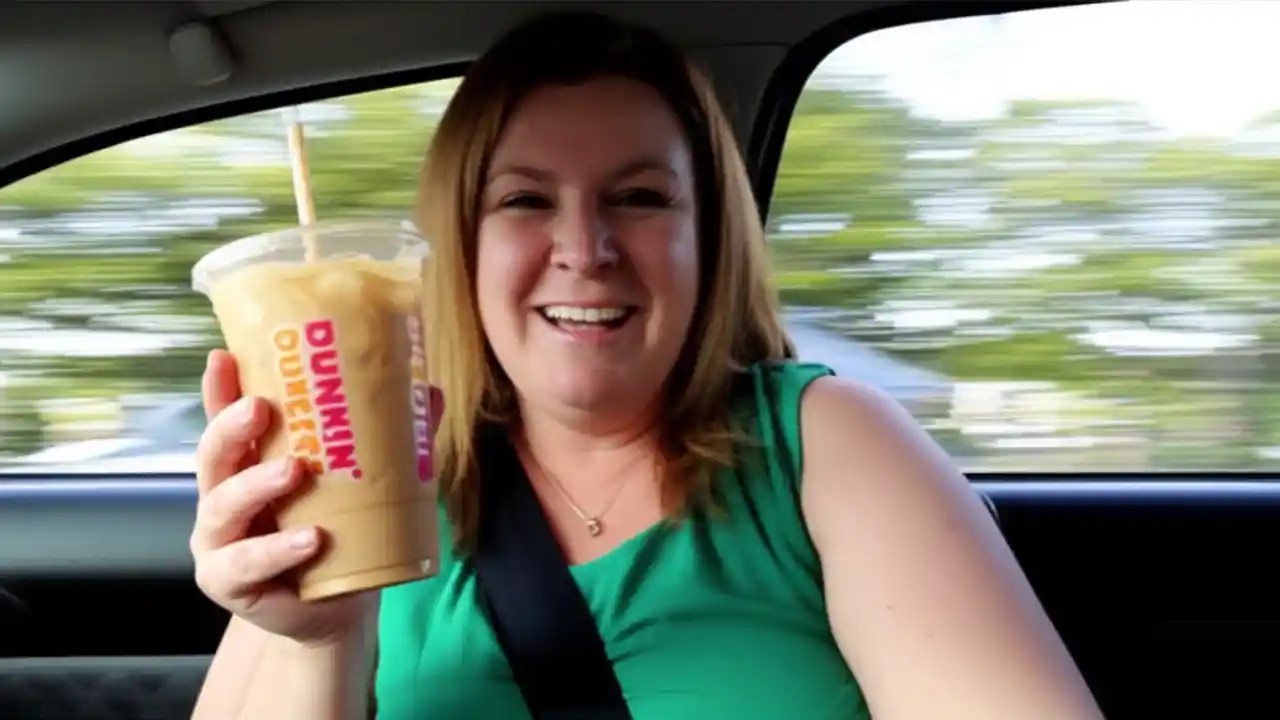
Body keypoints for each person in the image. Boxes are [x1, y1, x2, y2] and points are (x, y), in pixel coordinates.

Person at [188, 10, 1104, 720]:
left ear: (710, 240)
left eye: (639, 197)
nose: (584, 247)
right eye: (525, 200)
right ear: (458, 246)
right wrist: (320, 642)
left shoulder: (821, 446)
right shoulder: (357, 488)